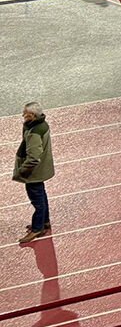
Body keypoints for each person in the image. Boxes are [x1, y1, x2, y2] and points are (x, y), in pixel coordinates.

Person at [14, 102, 52, 245]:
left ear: (33, 115)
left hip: (33, 173)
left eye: (26, 114)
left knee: (37, 199)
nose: (23, 115)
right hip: (40, 170)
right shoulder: (42, 124)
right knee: (41, 194)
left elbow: (33, 158)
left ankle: (37, 228)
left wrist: (21, 171)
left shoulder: (35, 132)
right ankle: (45, 221)